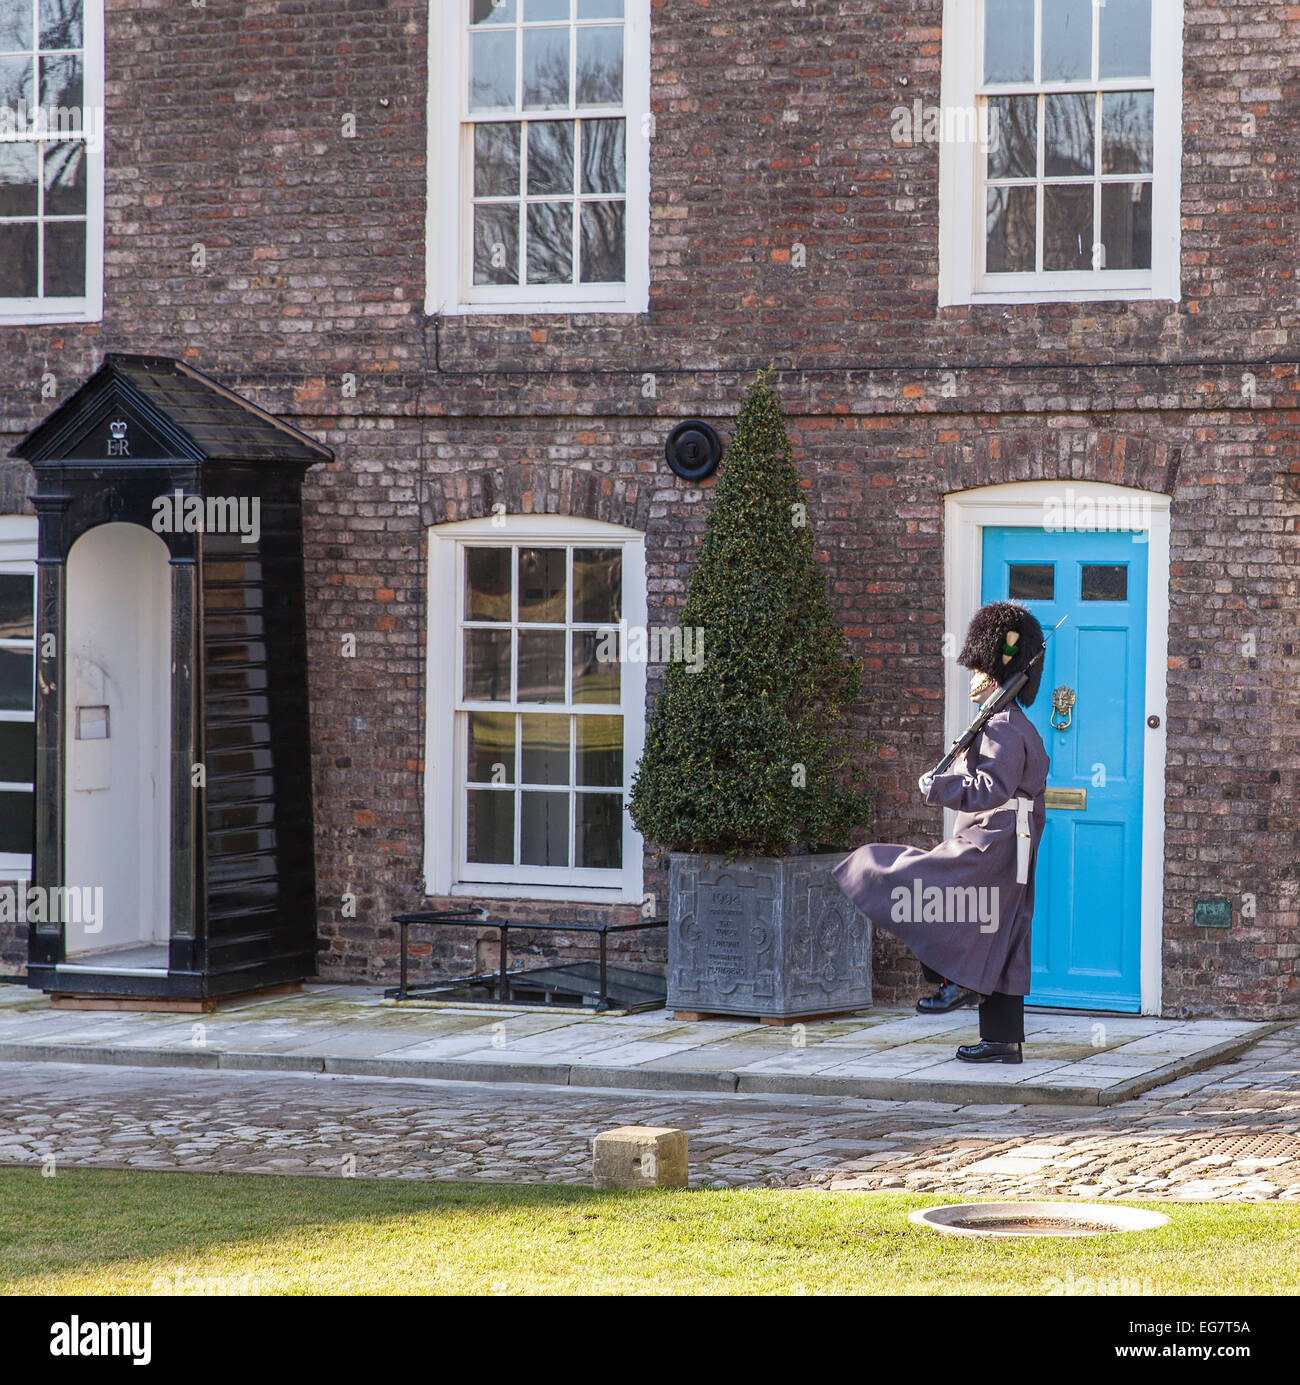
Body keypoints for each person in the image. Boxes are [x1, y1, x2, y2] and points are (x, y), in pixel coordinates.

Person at [832, 602, 1051, 1063]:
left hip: (992, 842)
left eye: (978, 669)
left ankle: (953, 981)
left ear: (995, 675)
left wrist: (939, 786)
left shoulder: (1003, 725)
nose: (971, 677)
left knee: (930, 888)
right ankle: (1002, 1040)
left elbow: (992, 788)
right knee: (1003, 937)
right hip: (1012, 843)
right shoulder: (1011, 722)